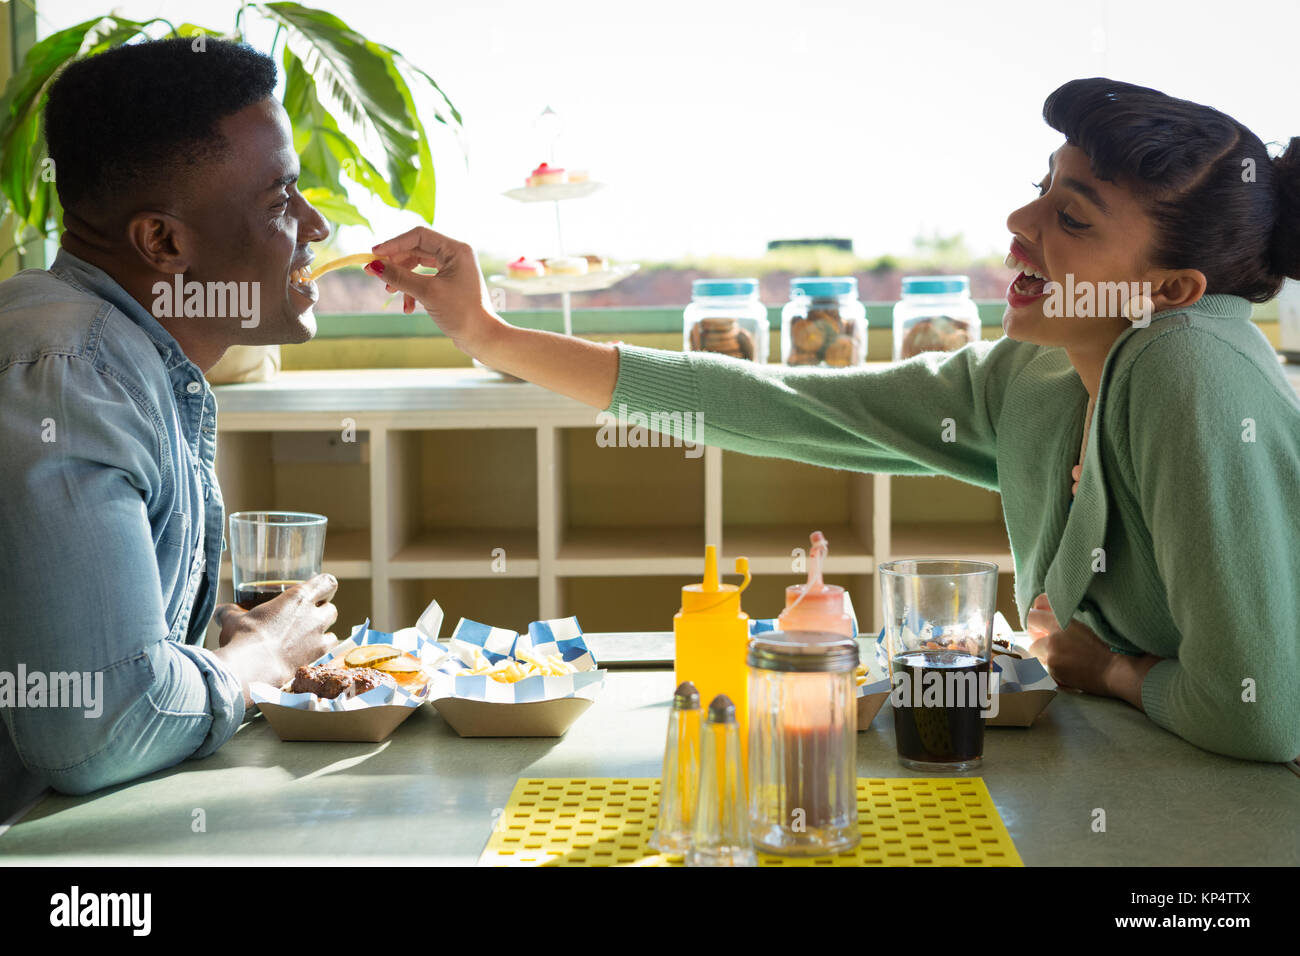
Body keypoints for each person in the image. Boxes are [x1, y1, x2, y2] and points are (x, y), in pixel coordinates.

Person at [367, 78, 1300, 763]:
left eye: (1074, 217)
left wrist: (1107, 674)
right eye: (1039, 185)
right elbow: (781, 404)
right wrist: (488, 334)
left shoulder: (1189, 365)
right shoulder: (1044, 373)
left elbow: (1261, 712)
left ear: (1170, 291)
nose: (1020, 220)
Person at [0, 38, 340, 821]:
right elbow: (97, 728)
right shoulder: (77, 374)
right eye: (281, 200)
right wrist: (260, 656)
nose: (314, 226)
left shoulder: (118, 353)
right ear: (163, 243)